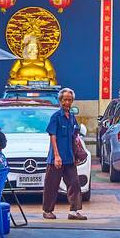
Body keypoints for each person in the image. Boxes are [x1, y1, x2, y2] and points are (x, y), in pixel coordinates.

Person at [43, 87, 86, 220]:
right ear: (60, 101)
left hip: (69, 158)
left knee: (74, 184)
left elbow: (75, 137)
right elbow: (53, 136)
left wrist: (77, 155)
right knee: (51, 185)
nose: (67, 102)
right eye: (65, 100)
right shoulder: (56, 117)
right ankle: (47, 211)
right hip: (56, 159)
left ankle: (74, 211)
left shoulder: (72, 117)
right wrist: (56, 156)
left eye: (69, 100)